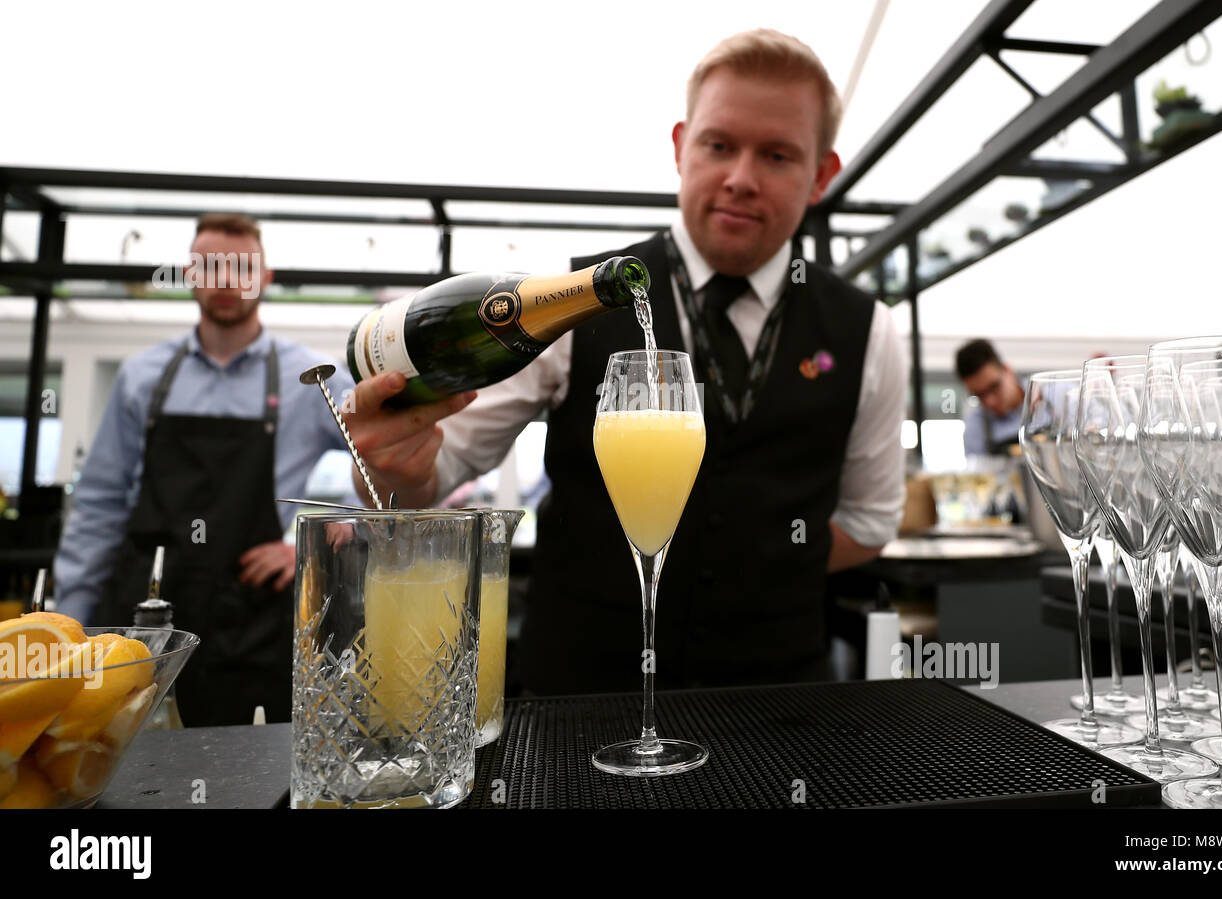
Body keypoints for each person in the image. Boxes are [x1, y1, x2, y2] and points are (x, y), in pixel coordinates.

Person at [344, 29, 908, 695]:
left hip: (779, 705)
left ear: (820, 176)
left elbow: (872, 522)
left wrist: (757, 567)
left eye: (778, 155)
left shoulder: (868, 329)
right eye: (719, 145)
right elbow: (429, 479)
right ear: (680, 147)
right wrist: (388, 464)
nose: (740, 178)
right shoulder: (567, 300)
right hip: (578, 705)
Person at [54, 213, 356, 726]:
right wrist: (69, 626)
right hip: (147, 613)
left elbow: (386, 469)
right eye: (210, 266)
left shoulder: (313, 378)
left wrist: (313, 536)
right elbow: (100, 504)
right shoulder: (142, 376)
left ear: (266, 277)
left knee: (250, 770)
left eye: (242, 266)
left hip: (251, 615)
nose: (226, 279)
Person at [955, 338, 1025, 458]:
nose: (990, 401)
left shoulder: (1050, 397)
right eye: (979, 395)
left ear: (1007, 370)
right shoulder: (975, 428)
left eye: (994, 387)